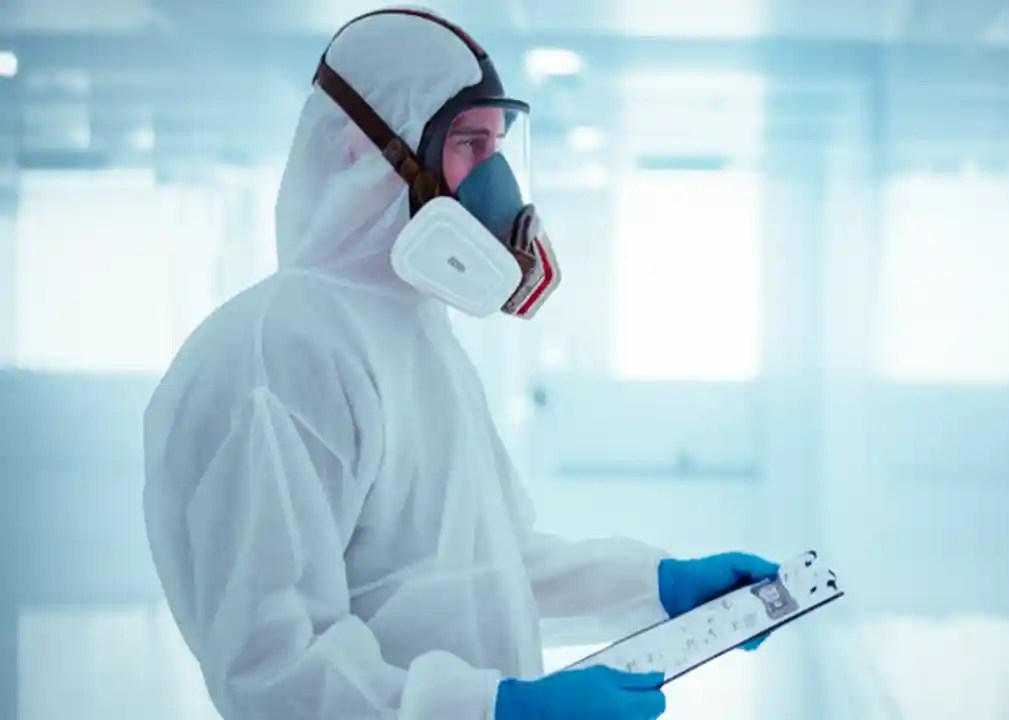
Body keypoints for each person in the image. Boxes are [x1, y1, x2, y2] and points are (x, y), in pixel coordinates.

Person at [142, 7, 777, 719]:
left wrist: (657, 587)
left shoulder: (414, 335)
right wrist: (492, 709)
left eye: (499, 146)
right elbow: (271, 668)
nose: (494, 181)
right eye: (470, 143)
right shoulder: (279, 351)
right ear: (360, 148)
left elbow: (485, 568)